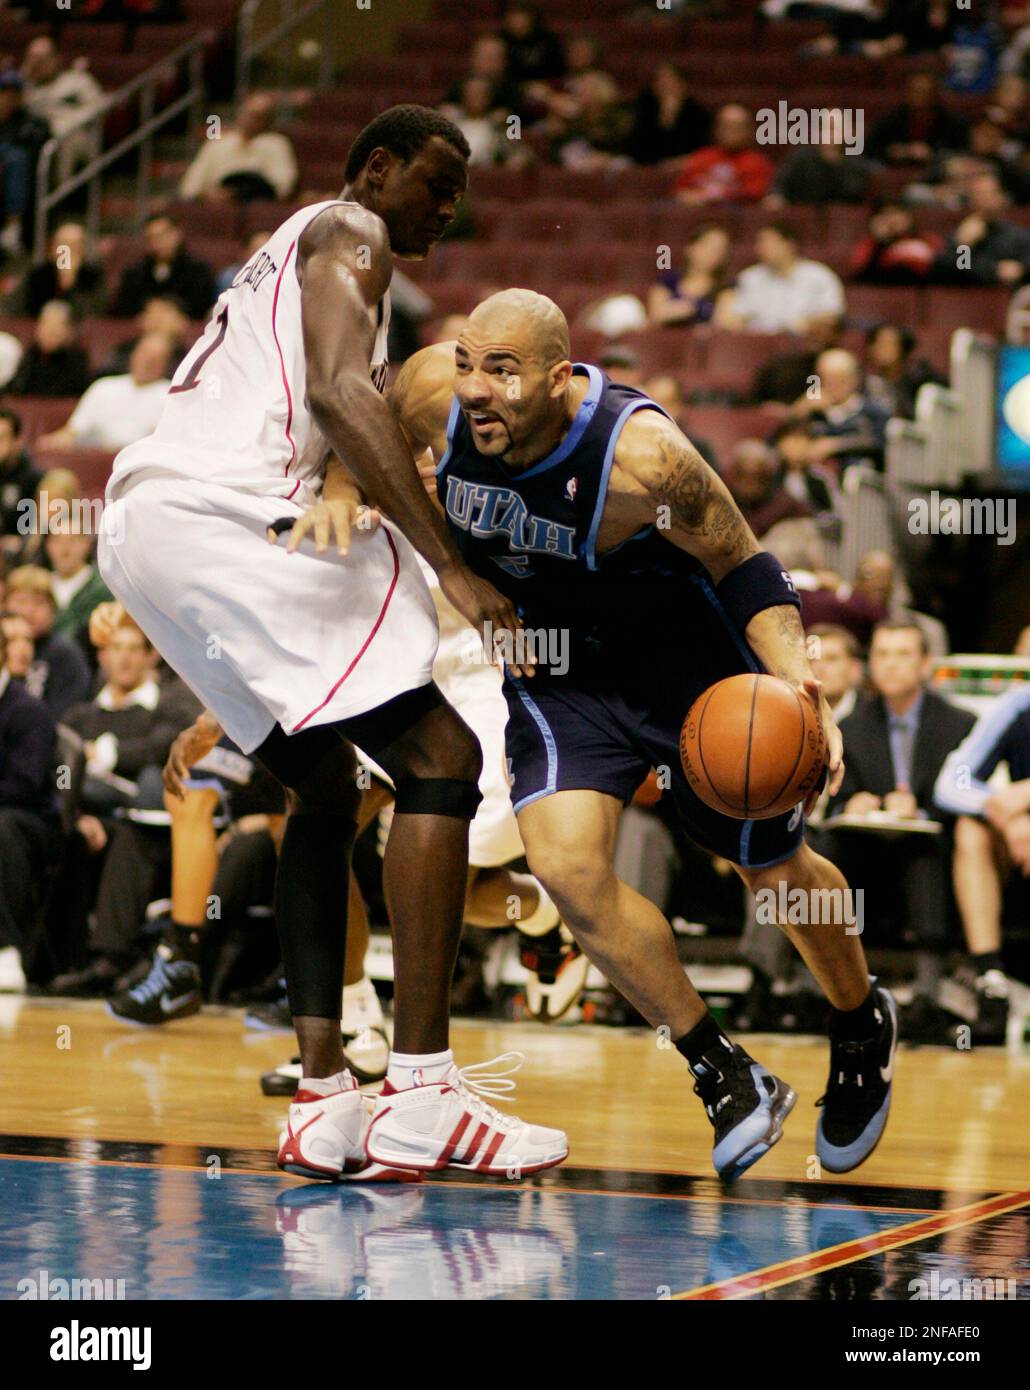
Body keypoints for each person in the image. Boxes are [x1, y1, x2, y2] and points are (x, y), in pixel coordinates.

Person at [95, 105, 566, 1183]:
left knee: (320, 786)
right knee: (442, 758)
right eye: (434, 182)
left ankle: (320, 1098)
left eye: (461, 192)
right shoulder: (351, 229)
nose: (448, 206)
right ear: (376, 166)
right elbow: (343, 393)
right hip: (221, 514)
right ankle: (425, 1091)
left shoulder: (288, 258)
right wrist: (452, 564)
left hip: (145, 522)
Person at [386, 289, 900, 1181]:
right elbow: (374, 440)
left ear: (558, 378)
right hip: (561, 674)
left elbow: (744, 562)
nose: (475, 388)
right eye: (468, 361)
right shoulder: (434, 392)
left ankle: (859, 1020)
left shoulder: (646, 456)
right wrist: (449, 566)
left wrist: (795, 681)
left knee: (770, 868)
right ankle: (721, 1071)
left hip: (688, 673)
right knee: (568, 869)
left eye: (502, 371)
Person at [825, 622, 977, 1040]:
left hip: (930, 847)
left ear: (926, 664)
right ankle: (814, 988)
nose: (891, 665)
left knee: (924, 852)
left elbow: (967, 794)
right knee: (823, 847)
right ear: (871, 664)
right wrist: (852, 801)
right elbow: (840, 793)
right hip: (866, 847)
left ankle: (928, 993)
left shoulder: (959, 723)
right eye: (883, 654)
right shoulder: (852, 725)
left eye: (903, 654)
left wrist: (923, 807)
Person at [935, 681, 1030, 1043]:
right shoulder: (1019, 703)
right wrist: (1005, 811)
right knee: (971, 829)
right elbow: (952, 782)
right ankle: (991, 984)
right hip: (1022, 844)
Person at [0, 621, 59, 993]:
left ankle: (5, 949)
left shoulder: (29, 710)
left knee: (1, 826)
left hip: (31, 821)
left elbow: (26, 783)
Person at [37, 334, 172, 453]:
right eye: (144, 355)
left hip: (140, 464)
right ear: (133, 355)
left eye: (155, 358)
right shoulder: (103, 387)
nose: (147, 362)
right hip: (95, 459)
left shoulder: (171, 395)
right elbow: (72, 432)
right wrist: (49, 444)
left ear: (166, 364)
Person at [717, 224, 845, 334]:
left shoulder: (819, 275)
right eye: (759, 243)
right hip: (756, 345)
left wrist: (807, 323)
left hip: (801, 345)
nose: (760, 248)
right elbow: (735, 318)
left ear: (789, 245)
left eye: (767, 242)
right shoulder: (750, 277)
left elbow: (832, 315)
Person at [179, 93, 298, 204]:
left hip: (256, 206)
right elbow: (190, 186)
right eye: (250, 114)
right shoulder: (216, 144)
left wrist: (242, 194)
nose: (253, 120)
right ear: (241, 113)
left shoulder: (277, 144)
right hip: (215, 207)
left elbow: (283, 186)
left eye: (260, 116)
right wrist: (208, 195)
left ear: (269, 120)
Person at [4, 564, 91, 717]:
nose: (29, 611)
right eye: (21, 601)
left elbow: (70, 713)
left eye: (39, 603)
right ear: (5, 604)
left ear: (53, 609)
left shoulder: (64, 653)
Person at [109, 213, 216, 320]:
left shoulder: (199, 271)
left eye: (164, 235)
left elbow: (202, 308)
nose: (159, 242)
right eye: (152, 238)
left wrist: (171, 309)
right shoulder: (134, 274)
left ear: (177, 234)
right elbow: (122, 309)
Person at [672, 103, 773, 206]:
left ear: (749, 131)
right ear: (716, 129)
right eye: (726, 126)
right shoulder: (701, 157)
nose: (732, 132)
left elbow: (754, 196)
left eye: (738, 127)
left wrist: (713, 197)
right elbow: (680, 191)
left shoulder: (758, 163)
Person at [9, 220, 106, 318]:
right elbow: (14, 307)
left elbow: (94, 314)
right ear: (53, 249)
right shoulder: (38, 274)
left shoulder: (94, 276)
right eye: (63, 245)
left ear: (83, 250)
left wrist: (70, 283)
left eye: (74, 246)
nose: (67, 252)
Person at [43, 519, 112, 656]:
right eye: (57, 541)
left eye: (72, 540)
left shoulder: (102, 587)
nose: (64, 549)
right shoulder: (40, 586)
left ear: (87, 543)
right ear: (48, 545)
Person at [647, 224, 730, 329]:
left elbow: (725, 323)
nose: (712, 253)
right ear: (691, 248)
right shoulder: (668, 281)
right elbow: (655, 316)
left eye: (719, 249)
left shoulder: (726, 288)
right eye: (706, 246)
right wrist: (680, 311)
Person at [627, 62, 710, 166]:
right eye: (661, 82)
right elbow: (636, 149)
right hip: (647, 166)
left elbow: (703, 150)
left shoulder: (697, 113)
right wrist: (664, 120)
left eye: (671, 81)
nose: (666, 86)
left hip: (685, 166)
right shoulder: (642, 109)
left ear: (683, 85)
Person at [7, 300, 91, 398]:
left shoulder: (78, 360)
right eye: (45, 324)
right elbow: (15, 390)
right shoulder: (31, 356)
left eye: (57, 326)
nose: (50, 331)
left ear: (69, 331)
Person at [849, 202, 940, 285]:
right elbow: (858, 277)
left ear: (908, 216)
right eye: (885, 215)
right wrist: (879, 242)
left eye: (896, 213)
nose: (892, 220)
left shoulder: (927, 241)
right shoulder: (869, 245)